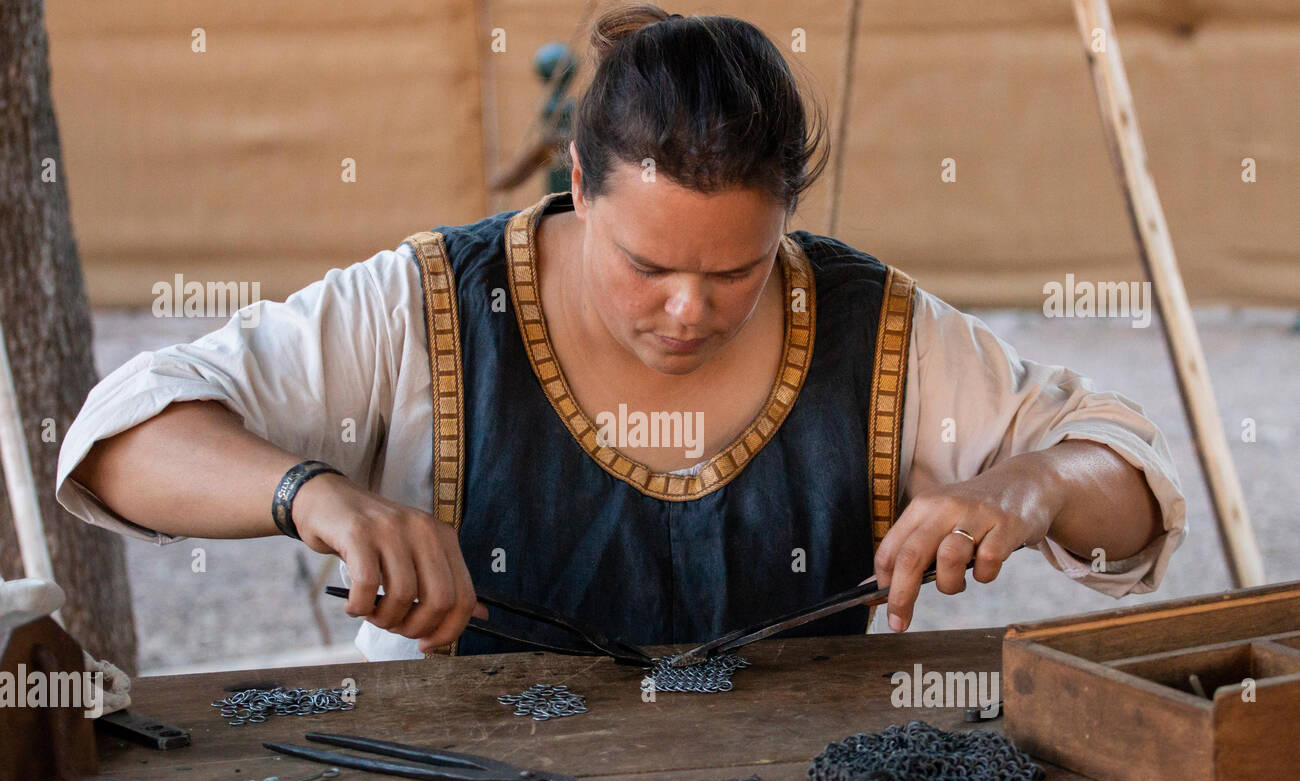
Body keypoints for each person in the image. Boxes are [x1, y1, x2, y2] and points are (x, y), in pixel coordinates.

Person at [56, 5, 1185, 663]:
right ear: (578, 192)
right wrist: (312, 491)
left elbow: (1128, 483)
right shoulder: (427, 311)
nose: (687, 308)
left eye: (735, 269)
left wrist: (1029, 486)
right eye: (645, 265)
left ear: (787, 220)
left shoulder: (875, 332)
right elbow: (120, 433)